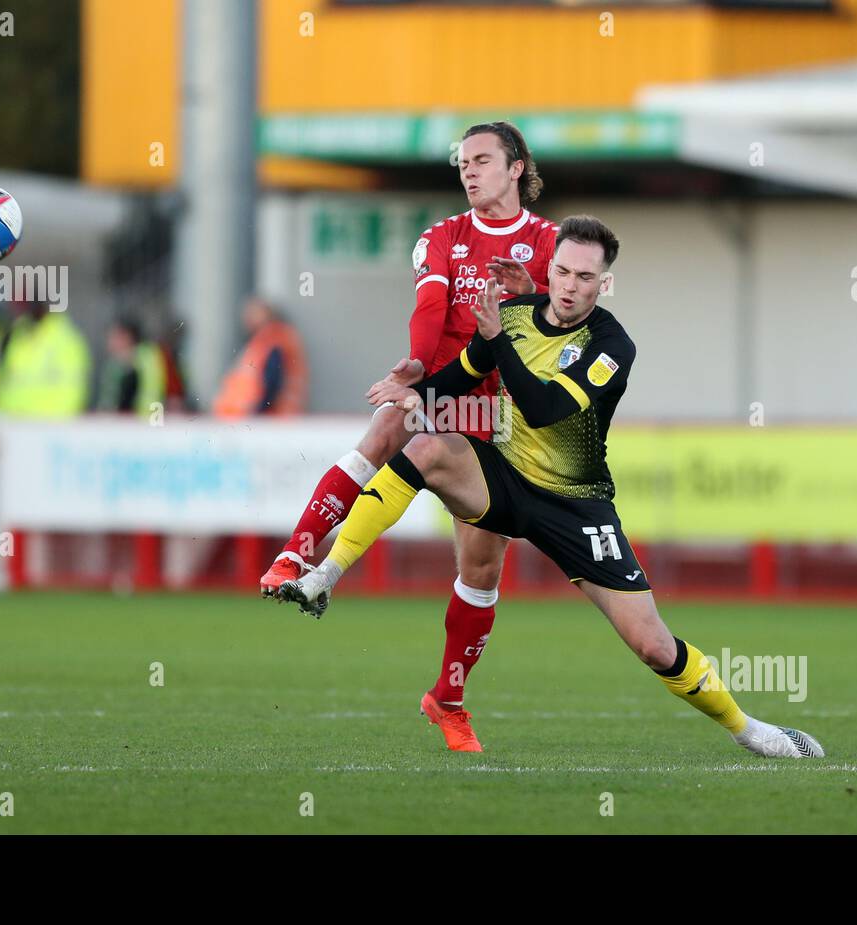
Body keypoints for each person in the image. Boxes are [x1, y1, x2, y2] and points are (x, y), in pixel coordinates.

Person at [279, 216, 826, 760]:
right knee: (425, 447)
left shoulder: (612, 345)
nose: (570, 286)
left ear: (603, 283)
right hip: (506, 478)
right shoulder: (514, 314)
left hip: (576, 505)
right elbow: (464, 373)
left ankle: (750, 730)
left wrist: (495, 337)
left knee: (652, 644)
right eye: (562, 272)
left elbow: (542, 411)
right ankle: (327, 573)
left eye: (585, 277)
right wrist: (414, 391)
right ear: (551, 270)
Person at [259, 121, 560, 753]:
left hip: (502, 419)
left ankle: (448, 698)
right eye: (462, 162)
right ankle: (298, 553)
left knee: (480, 572)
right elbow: (429, 311)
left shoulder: (551, 244)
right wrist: (418, 367)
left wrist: (532, 298)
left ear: (516, 167)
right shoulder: (442, 238)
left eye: (482, 160)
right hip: (441, 390)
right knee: (389, 427)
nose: (468, 170)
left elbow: (565, 339)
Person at [212, 297, 308, 418]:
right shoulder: (270, 339)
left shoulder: (273, 339)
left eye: (253, 313)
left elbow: (272, 381)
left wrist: (258, 413)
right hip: (265, 420)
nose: (247, 319)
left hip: (267, 421)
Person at [0, 300, 90, 418]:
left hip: (49, 428)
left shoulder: (65, 339)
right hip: (16, 425)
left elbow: (73, 388)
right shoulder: (18, 336)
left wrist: (58, 424)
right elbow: (8, 383)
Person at [97, 316, 167, 416]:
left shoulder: (147, 358)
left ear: (127, 337)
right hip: (120, 425)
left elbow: (152, 395)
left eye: (114, 337)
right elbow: (108, 400)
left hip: (143, 424)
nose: (109, 342)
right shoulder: (113, 365)